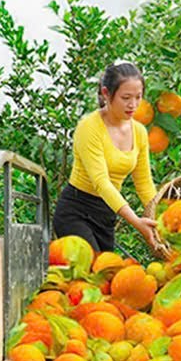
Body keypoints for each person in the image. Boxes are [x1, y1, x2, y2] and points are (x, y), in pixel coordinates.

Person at [52, 61, 160, 252]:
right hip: (76, 211)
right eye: (126, 97)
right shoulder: (89, 127)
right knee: (93, 271)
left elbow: (144, 184)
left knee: (107, 275)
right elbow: (101, 182)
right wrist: (136, 222)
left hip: (106, 215)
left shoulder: (140, 132)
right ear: (106, 94)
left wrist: (160, 219)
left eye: (138, 97)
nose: (133, 105)